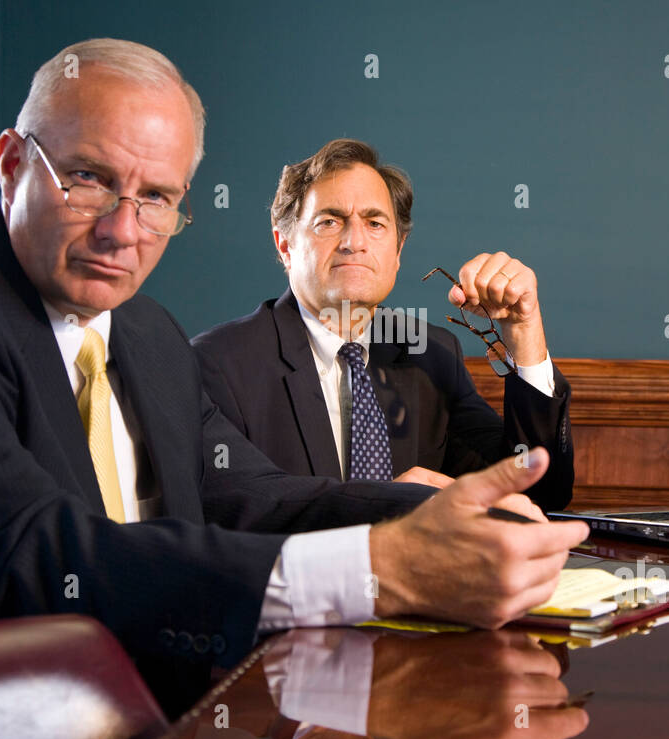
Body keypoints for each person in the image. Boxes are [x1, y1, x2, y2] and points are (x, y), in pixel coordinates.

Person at [0, 39, 588, 670]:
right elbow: (35, 561)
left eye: (157, 197)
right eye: (87, 179)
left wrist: (429, 520)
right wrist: (378, 569)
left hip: (122, 701)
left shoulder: (145, 331)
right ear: (12, 167)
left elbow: (247, 497)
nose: (124, 229)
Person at [192, 138, 574, 511]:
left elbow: (539, 492)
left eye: (375, 223)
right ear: (285, 246)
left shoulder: (431, 355)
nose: (354, 242)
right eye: (329, 221)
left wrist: (523, 332)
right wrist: (385, 505)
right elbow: (237, 512)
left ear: (398, 250)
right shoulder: (218, 364)